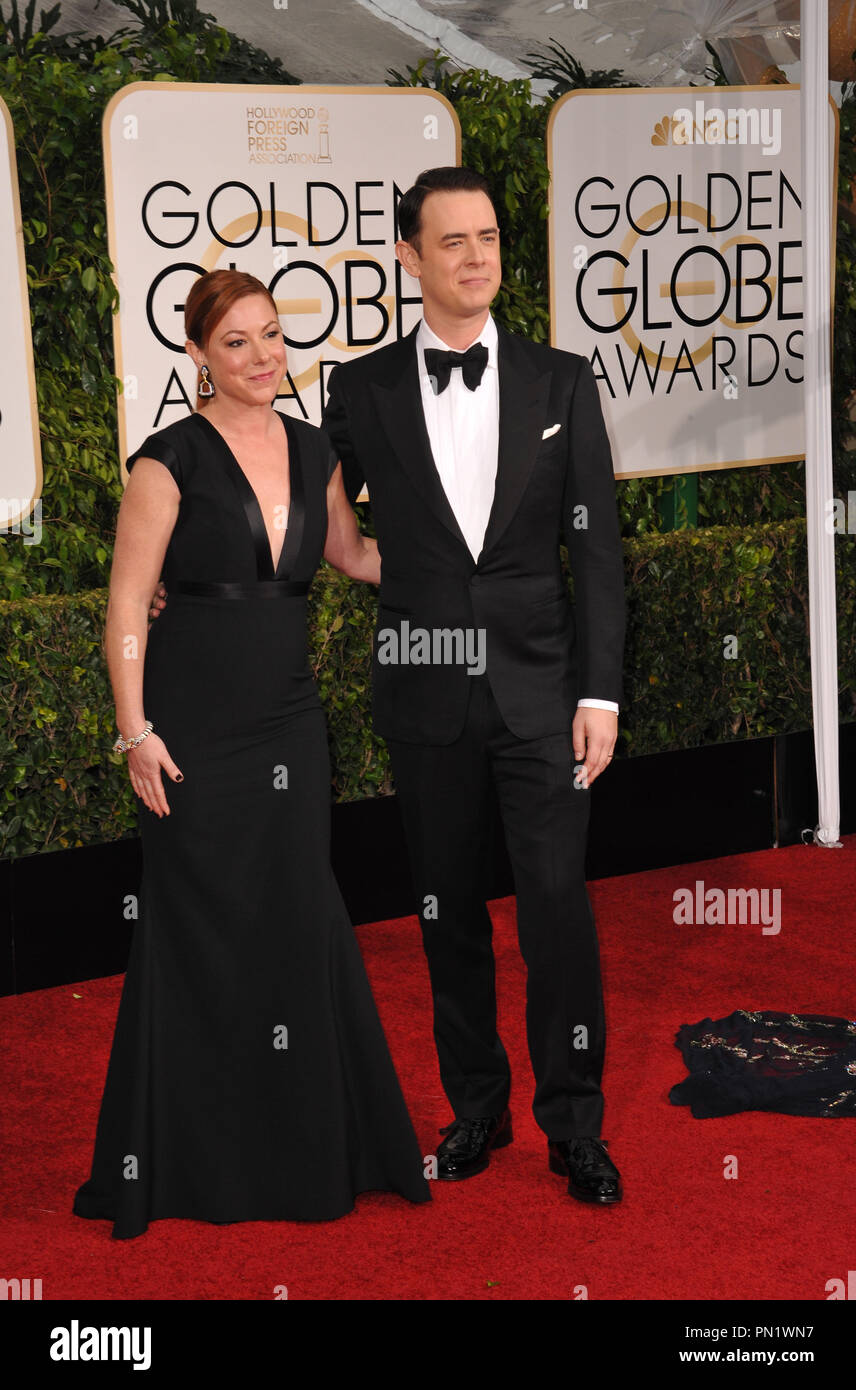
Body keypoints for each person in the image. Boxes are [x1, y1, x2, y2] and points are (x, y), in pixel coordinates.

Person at [73, 269, 430, 1239]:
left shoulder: (314, 448)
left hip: (287, 722)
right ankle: (191, 1160)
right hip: (190, 728)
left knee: (295, 915)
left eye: (273, 334)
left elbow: (354, 556)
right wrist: (135, 731)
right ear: (198, 354)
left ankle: (307, 1150)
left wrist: (469, 570)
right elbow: (124, 610)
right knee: (198, 933)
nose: (265, 355)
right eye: (239, 342)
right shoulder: (166, 464)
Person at [322, 168, 627, 1203]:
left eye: (488, 236)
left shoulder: (562, 380)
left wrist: (602, 694)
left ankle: (574, 1123)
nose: (476, 257)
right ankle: (477, 1109)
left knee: (556, 910)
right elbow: (312, 515)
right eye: (451, 241)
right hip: (425, 689)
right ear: (408, 256)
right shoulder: (355, 390)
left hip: (545, 696)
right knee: (447, 914)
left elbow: (599, 555)